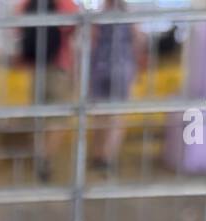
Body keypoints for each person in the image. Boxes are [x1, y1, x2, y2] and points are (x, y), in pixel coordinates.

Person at [19, 0, 79, 182]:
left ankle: (39, 155)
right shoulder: (64, 3)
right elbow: (75, 24)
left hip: (36, 66)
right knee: (59, 116)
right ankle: (45, 158)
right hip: (58, 64)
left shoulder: (26, 3)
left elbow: (18, 29)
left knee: (39, 115)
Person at [89, 0, 146, 173]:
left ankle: (97, 153)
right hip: (122, 68)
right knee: (118, 115)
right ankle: (108, 156)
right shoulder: (129, 15)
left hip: (99, 67)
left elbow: (91, 40)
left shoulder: (98, 16)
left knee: (99, 113)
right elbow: (139, 40)